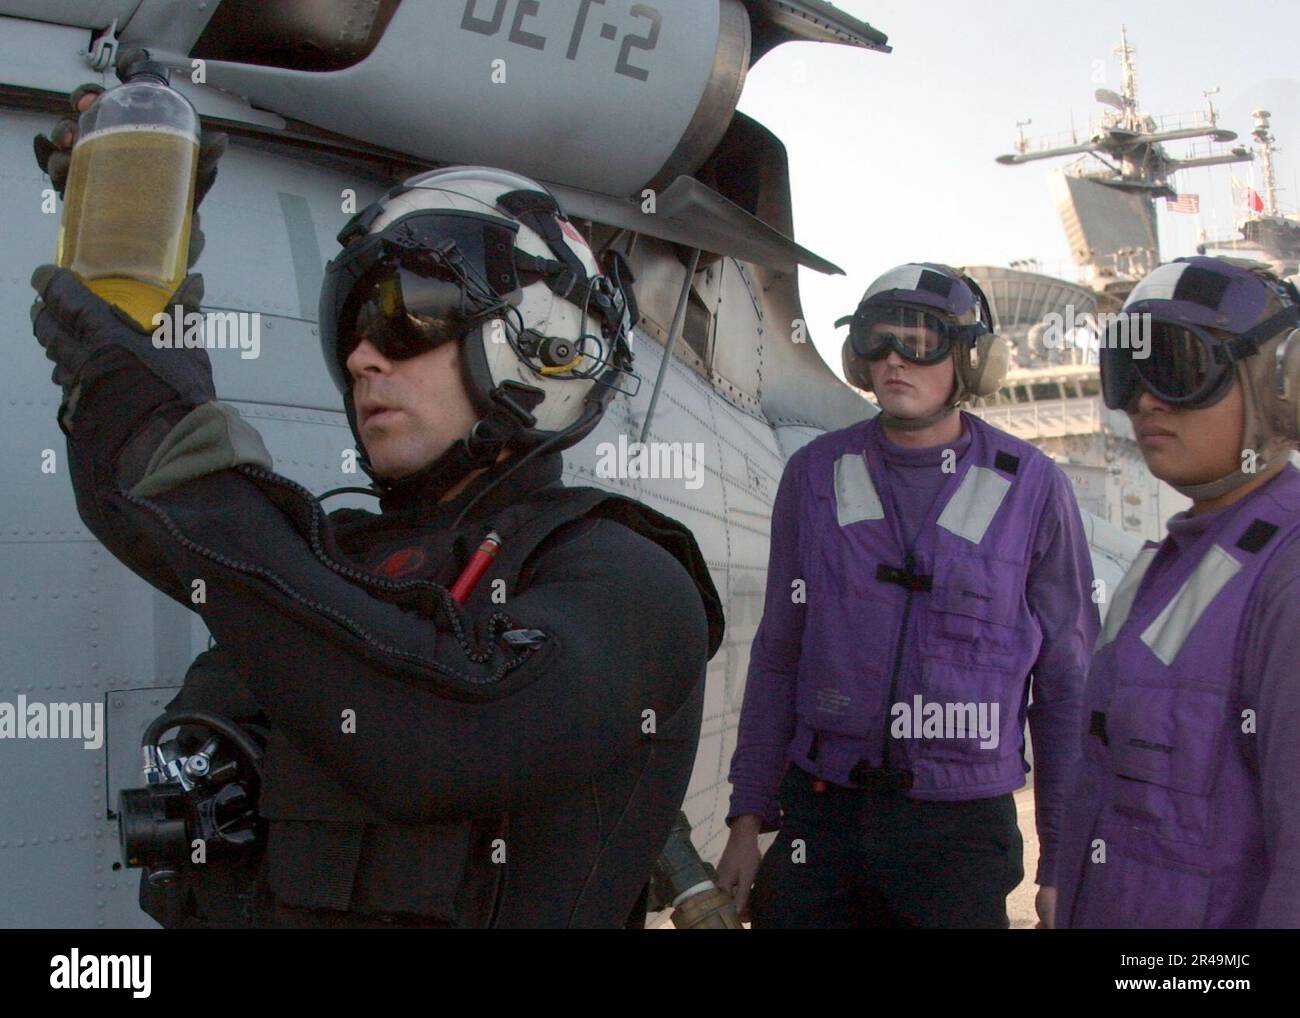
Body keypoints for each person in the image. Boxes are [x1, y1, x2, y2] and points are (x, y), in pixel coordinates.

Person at [30, 81, 724, 928]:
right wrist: (135, 348)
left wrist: (172, 441)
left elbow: (436, 742)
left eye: (406, 316)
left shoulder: (629, 579)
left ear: (543, 340)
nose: (361, 356)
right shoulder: (340, 555)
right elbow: (160, 520)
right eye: (353, 322)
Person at [715, 263, 1098, 928]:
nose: (895, 358)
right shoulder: (815, 474)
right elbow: (779, 653)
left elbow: (1065, 685)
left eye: (921, 340)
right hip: (823, 814)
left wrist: (1060, 863)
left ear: (972, 361)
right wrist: (748, 820)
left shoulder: (1033, 488)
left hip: (959, 833)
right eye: (876, 339)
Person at [1055, 256, 1300, 929]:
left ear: (1282, 384)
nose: (1144, 401)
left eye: (1182, 368)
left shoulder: (1288, 573)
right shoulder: (1162, 565)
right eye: (1128, 374)